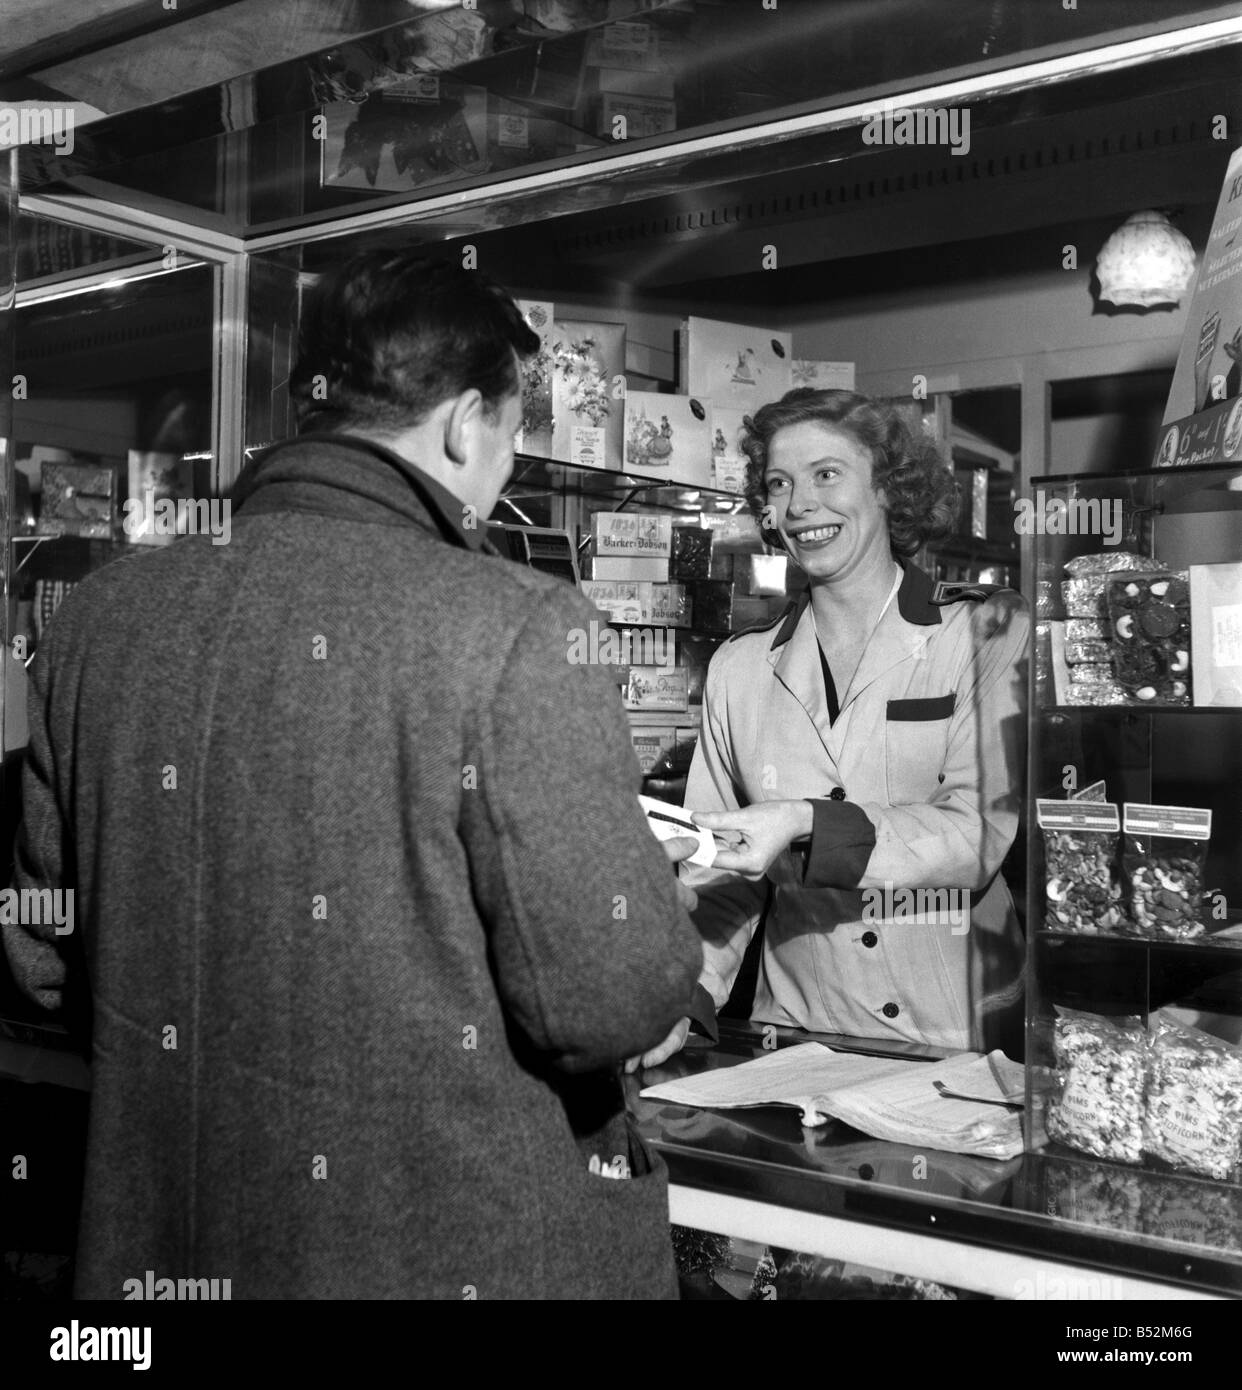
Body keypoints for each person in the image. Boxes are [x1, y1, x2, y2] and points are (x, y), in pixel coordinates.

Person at [2, 251, 704, 1300]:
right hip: (447, 1250)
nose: (506, 468)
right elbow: (602, 1000)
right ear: (467, 423)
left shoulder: (99, 619)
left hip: (164, 1249)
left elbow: (43, 953)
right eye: (513, 435)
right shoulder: (517, 624)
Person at [644, 389, 1028, 1065]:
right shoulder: (738, 668)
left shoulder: (984, 632)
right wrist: (682, 999)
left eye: (827, 475)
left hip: (959, 1034)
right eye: (780, 483)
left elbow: (975, 837)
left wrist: (803, 821)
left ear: (887, 489)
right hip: (797, 1036)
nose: (799, 506)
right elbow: (718, 875)